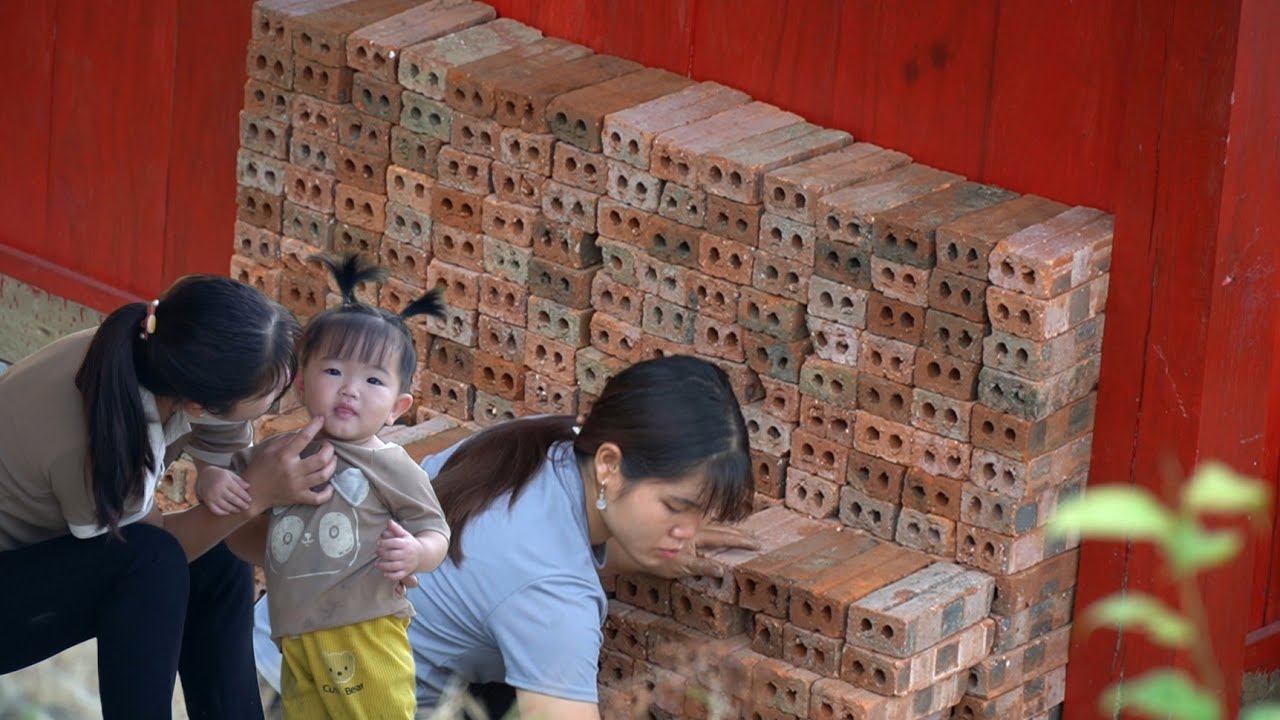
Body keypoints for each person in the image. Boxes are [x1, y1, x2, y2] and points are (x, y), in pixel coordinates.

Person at [0, 274, 339, 720]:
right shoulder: (100, 431)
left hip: (37, 563)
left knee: (218, 551)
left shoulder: (161, 357)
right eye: (269, 396)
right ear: (198, 405)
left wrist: (243, 490)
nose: (281, 399)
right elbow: (154, 557)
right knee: (152, 561)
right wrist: (258, 493)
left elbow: (224, 502)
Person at [214, 254, 451, 720]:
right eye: (334, 371)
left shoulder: (390, 463)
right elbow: (239, 498)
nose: (350, 390)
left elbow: (437, 530)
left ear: (398, 406)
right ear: (301, 384)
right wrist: (214, 480)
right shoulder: (279, 453)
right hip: (293, 630)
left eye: (373, 380)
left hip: (361, 629)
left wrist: (417, 554)